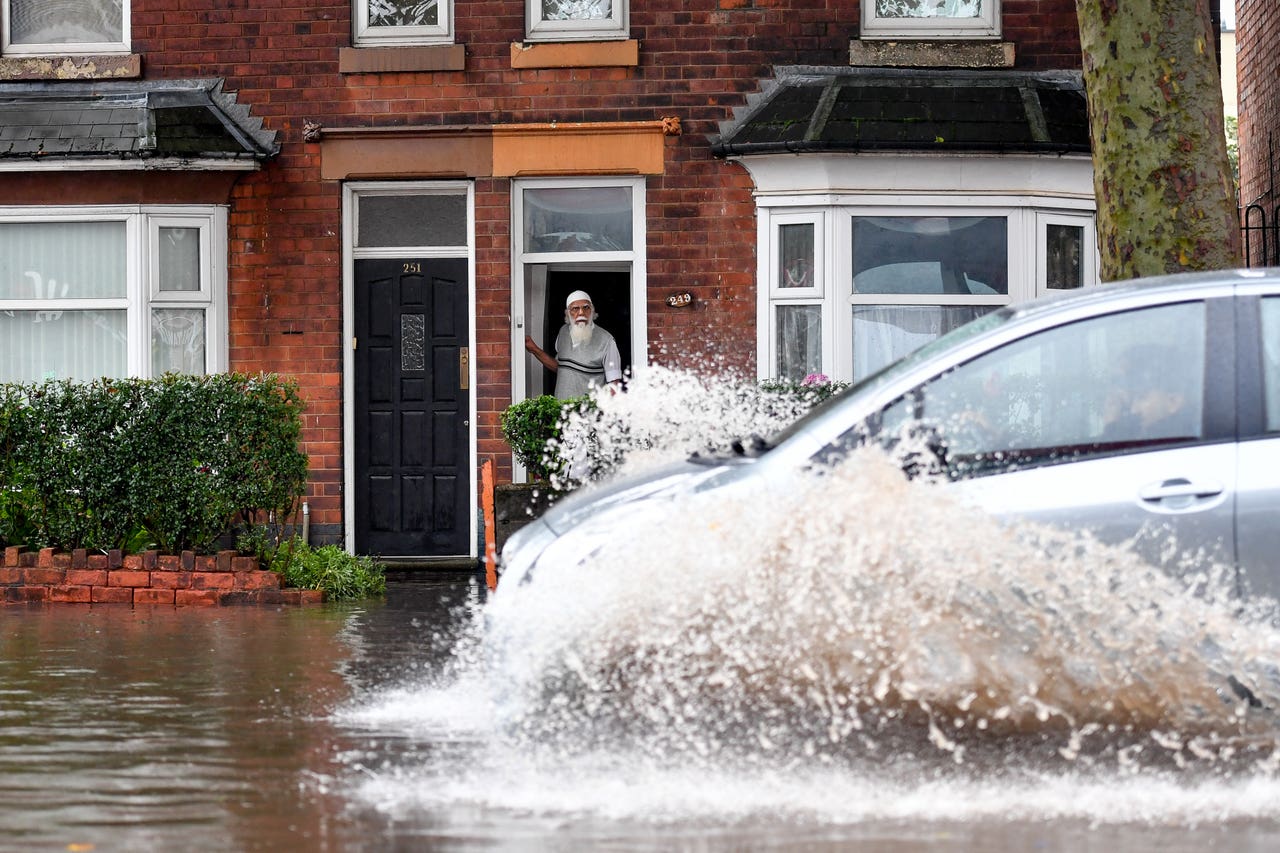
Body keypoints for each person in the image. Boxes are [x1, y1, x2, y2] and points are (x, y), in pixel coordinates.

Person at [525, 290, 623, 399]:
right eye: (575, 309)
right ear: (567, 313)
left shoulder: (607, 341)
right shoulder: (563, 332)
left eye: (586, 308)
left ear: (592, 311)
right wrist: (534, 349)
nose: (581, 312)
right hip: (561, 410)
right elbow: (561, 368)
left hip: (589, 414)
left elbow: (614, 385)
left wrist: (598, 412)